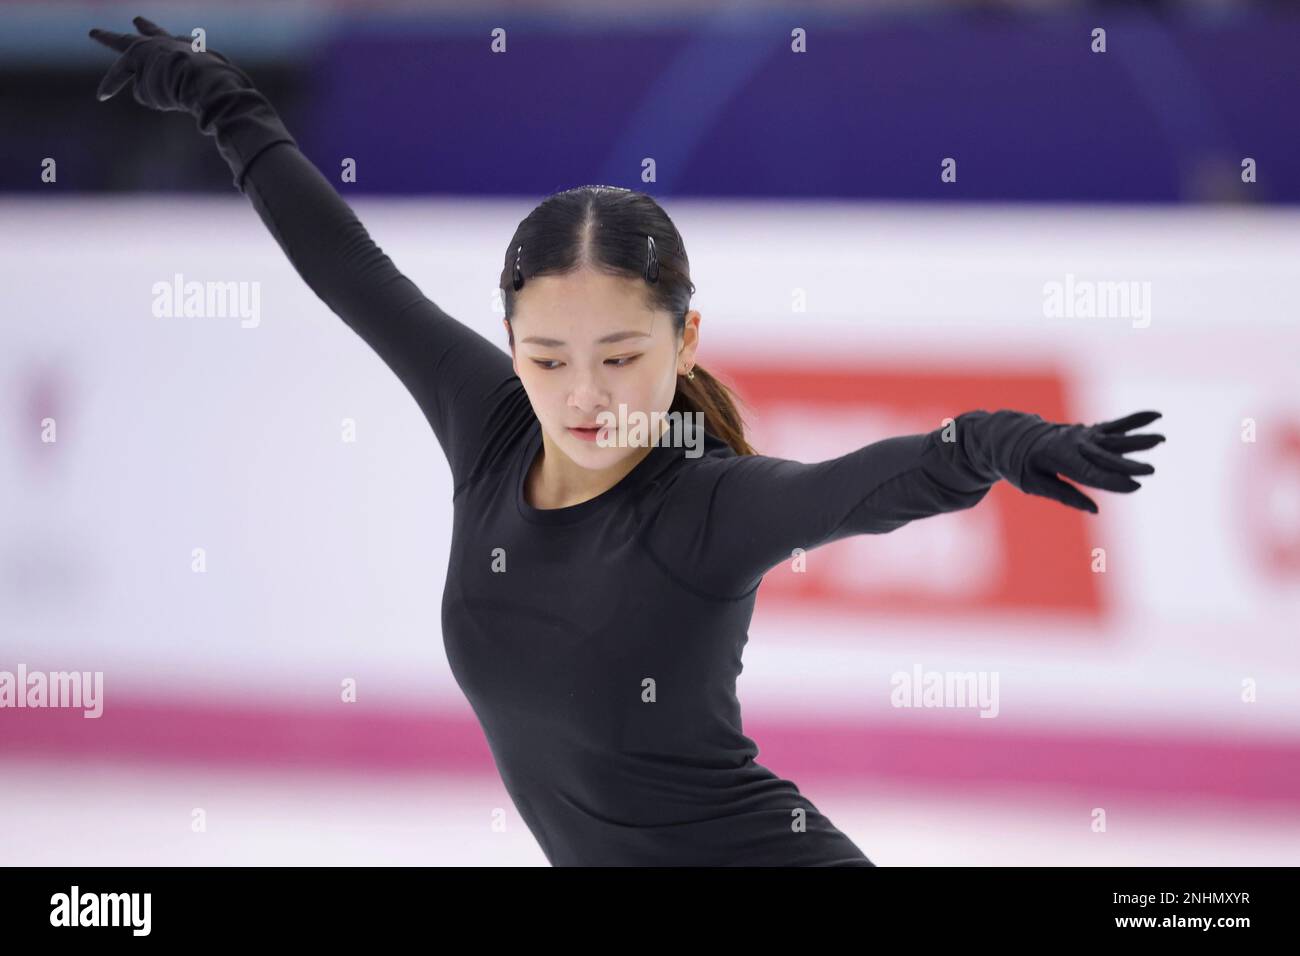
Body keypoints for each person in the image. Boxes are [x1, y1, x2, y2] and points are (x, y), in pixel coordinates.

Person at [89, 17, 1166, 866]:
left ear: (685, 336)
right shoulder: (490, 424)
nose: (584, 393)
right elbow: (351, 270)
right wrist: (217, 95)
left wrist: (995, 440)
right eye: (548, 356)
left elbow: (868, 483)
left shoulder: (704, 507)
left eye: (620, 354)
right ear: (509, 340)